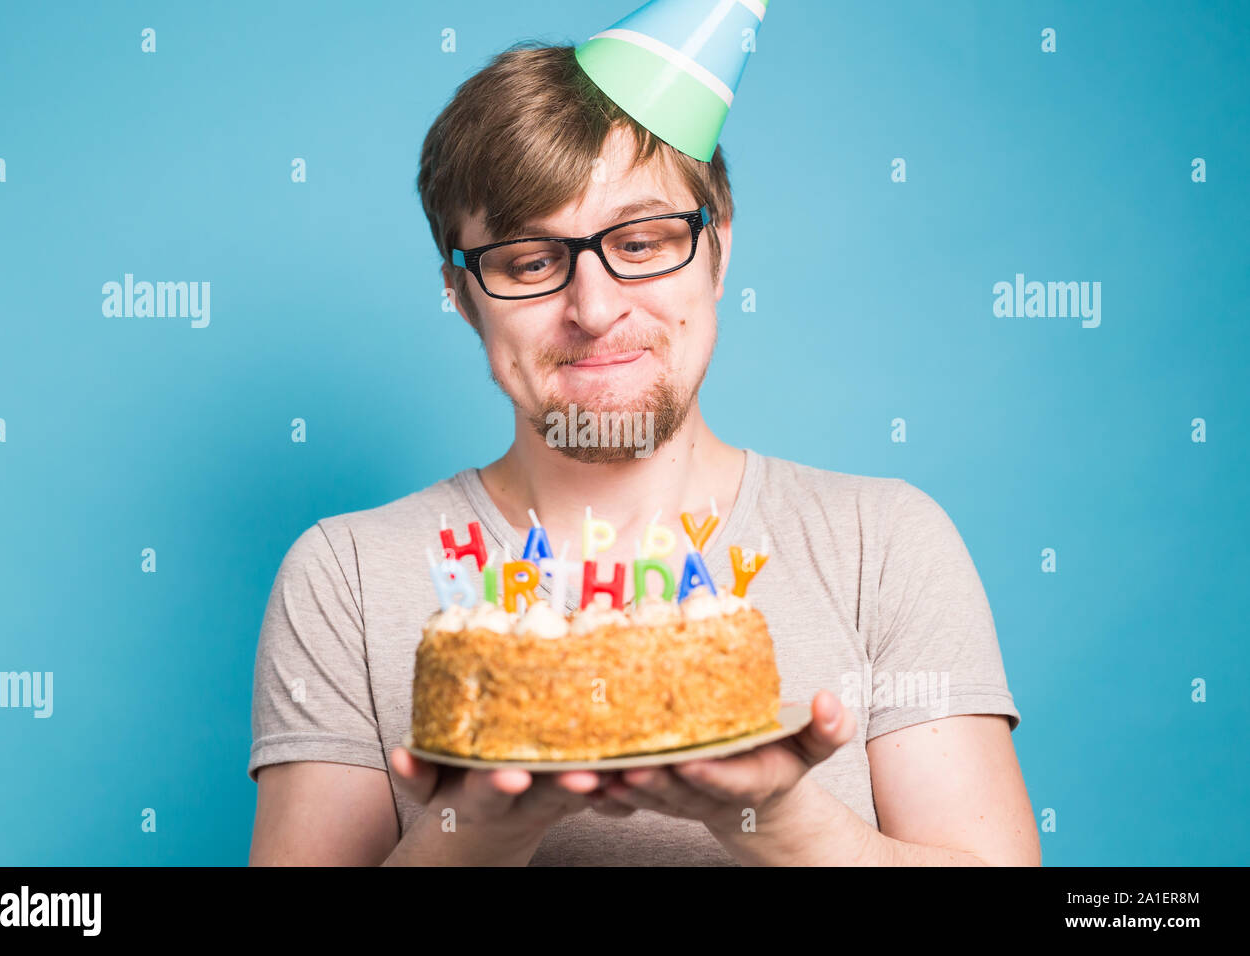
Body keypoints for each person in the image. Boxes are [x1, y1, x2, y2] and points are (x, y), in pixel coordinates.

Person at [247, 39, 1039, 866]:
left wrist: (776, 815)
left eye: (642, 243)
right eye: (528, 260)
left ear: (719, 250)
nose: (593, 308)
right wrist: (485, 830)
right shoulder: (346, 577)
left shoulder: (884, 545)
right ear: (460, 295)